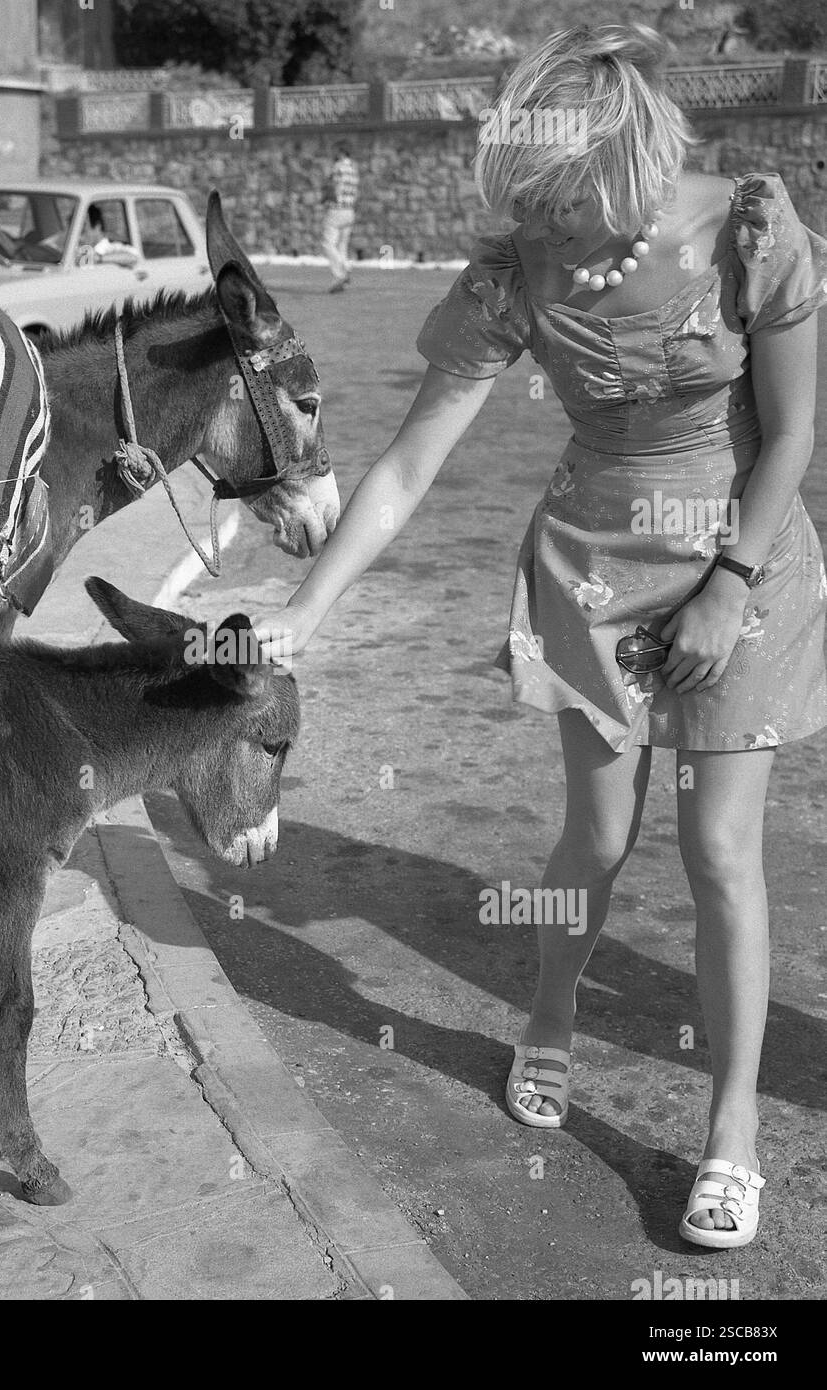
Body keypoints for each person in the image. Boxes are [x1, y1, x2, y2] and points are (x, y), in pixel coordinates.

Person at [254, 22, 827, 1250]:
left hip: (743, 558)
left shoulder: (752, 234)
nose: (547, 241)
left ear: (624, 173)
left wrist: (727, 580)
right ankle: (552, 1012)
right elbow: (412, 462)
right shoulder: (515, 272)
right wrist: (303, 612)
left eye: (566, 212)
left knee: (720, 850)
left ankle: (730, 1129)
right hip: (593, 569)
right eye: (533, 213)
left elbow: (787, 434)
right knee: (596, 834)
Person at [321, 144, 358, 293]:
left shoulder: (338, 167)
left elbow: (334, 188)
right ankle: (345, 269)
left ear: (341, 152)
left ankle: (341, 272)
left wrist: (325, 199)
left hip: (337, 209)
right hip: (349, 210)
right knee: (342, 245)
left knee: (327, 243)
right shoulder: (353, 169)